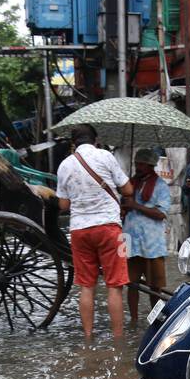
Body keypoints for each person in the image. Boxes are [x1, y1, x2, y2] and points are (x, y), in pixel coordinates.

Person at [54, 123, 134, 339]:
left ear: (73, 144)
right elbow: (127, 189)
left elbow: (63, 205)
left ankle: (88, 337)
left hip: (80, 231)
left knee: (86, 287)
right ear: (95, 140)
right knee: (115, 286)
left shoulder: (64, 165)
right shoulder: (105, 156)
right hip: (109, 228)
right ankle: (118, 339)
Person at [123, 148, 171, 325]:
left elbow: (161, 213)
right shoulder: (130, 184)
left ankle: (156, 319)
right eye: (136, 163)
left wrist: (135, 205)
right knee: (130, 283)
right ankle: (134, 320)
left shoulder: (161, 186)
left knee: (155, 286)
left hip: (152, 244)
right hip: (129, 240)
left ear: (151, 166)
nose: (138, 167)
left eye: (142, 164)